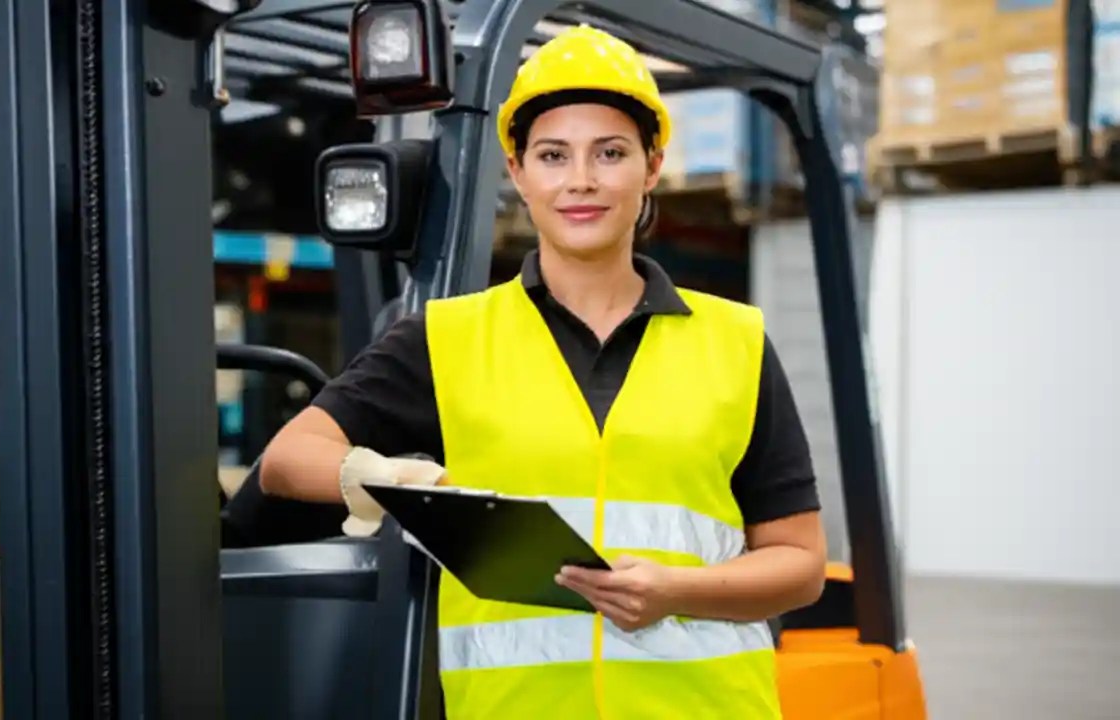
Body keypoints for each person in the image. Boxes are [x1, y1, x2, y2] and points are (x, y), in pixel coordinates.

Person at [260, 24, 826, 719]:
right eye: (553, 155)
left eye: (610, 153)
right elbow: (287, 461)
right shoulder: (446, 338)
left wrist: (676, 592)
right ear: (518, 172)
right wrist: (391, 479)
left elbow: (798, 563)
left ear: (651, 167)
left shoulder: (734, 341)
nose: (580, 180)